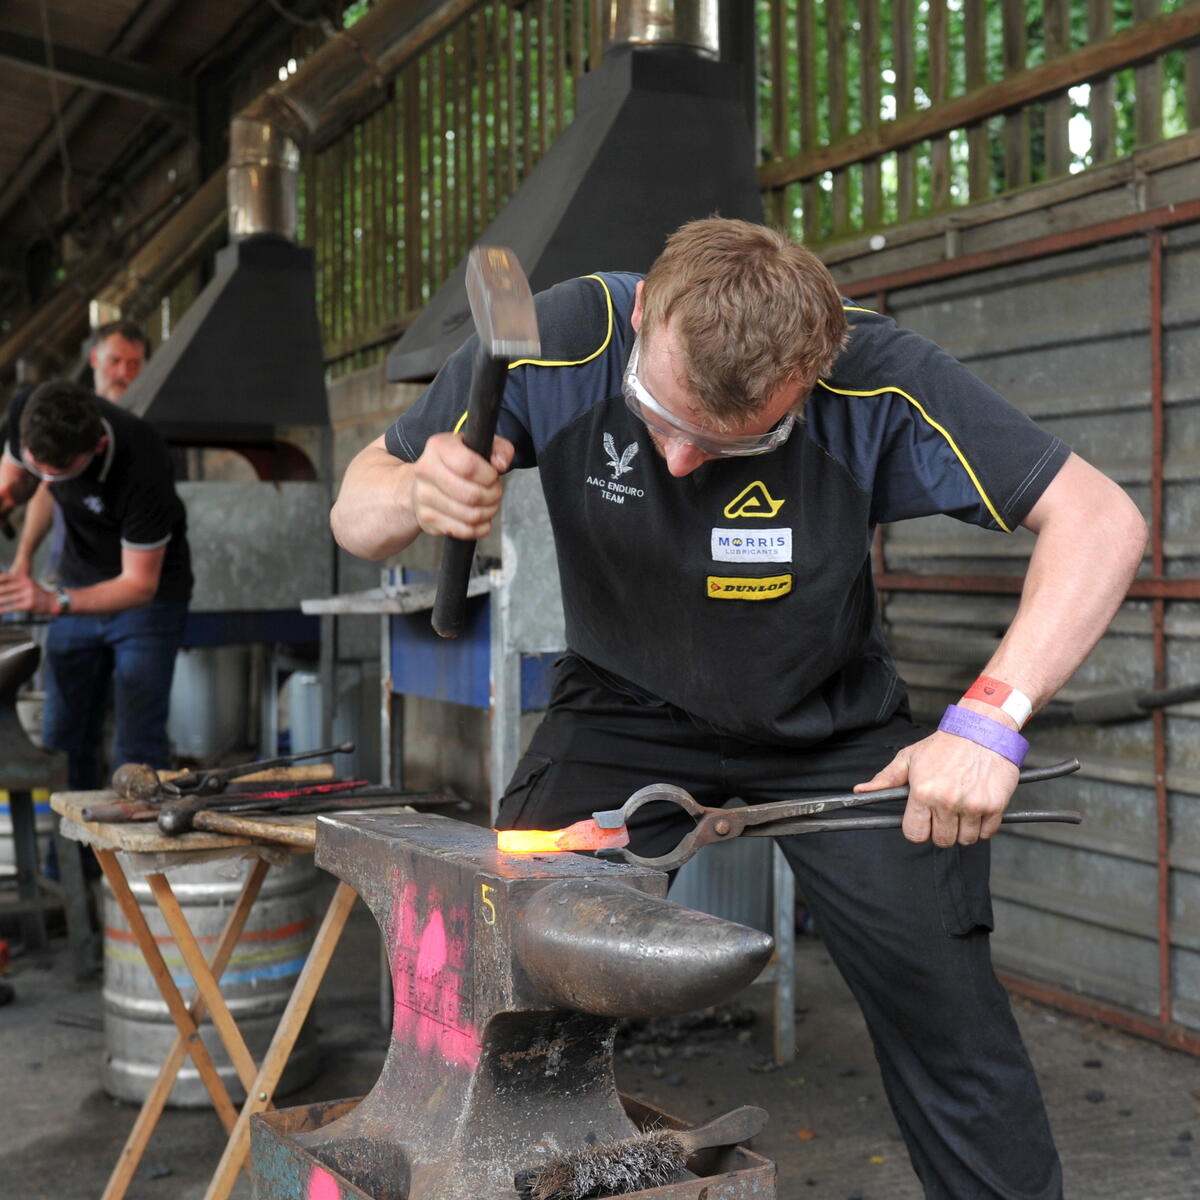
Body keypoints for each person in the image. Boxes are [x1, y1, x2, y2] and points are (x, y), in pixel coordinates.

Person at [330, 219, 1147, 1197]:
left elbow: (1099, 518)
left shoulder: (876, 374)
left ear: (813, 369)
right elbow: (356, 508)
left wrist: (988, 718)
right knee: (501, 977)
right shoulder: (560, 333)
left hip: (832, 727)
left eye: (732, 442)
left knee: (953, 1025)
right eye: (659, 416)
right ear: (644, 314)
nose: (680, 462)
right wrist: (419, 492)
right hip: (621, 712)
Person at [0, 380, 192, 791]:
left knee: (135, 747)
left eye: (60, 471)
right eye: (38, 465)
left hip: (147, 602)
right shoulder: (29, 412)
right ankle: (68, 858)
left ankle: (128, 856)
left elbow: (138, 584)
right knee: (63, 736)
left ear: (97, 447)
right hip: (76, 578)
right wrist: (21, 557)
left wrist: (53, 601)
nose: (47, 479)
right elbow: (37, 486)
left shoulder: (143, 460)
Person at [12, 319, 151, 581]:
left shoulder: (150, 435)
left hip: (133, 575)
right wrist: (23, 556)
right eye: (115, 361)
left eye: (134, 364)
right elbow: (47, 488)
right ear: (94, 359)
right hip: (71, 573)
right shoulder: (67, 421)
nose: (124, 373)